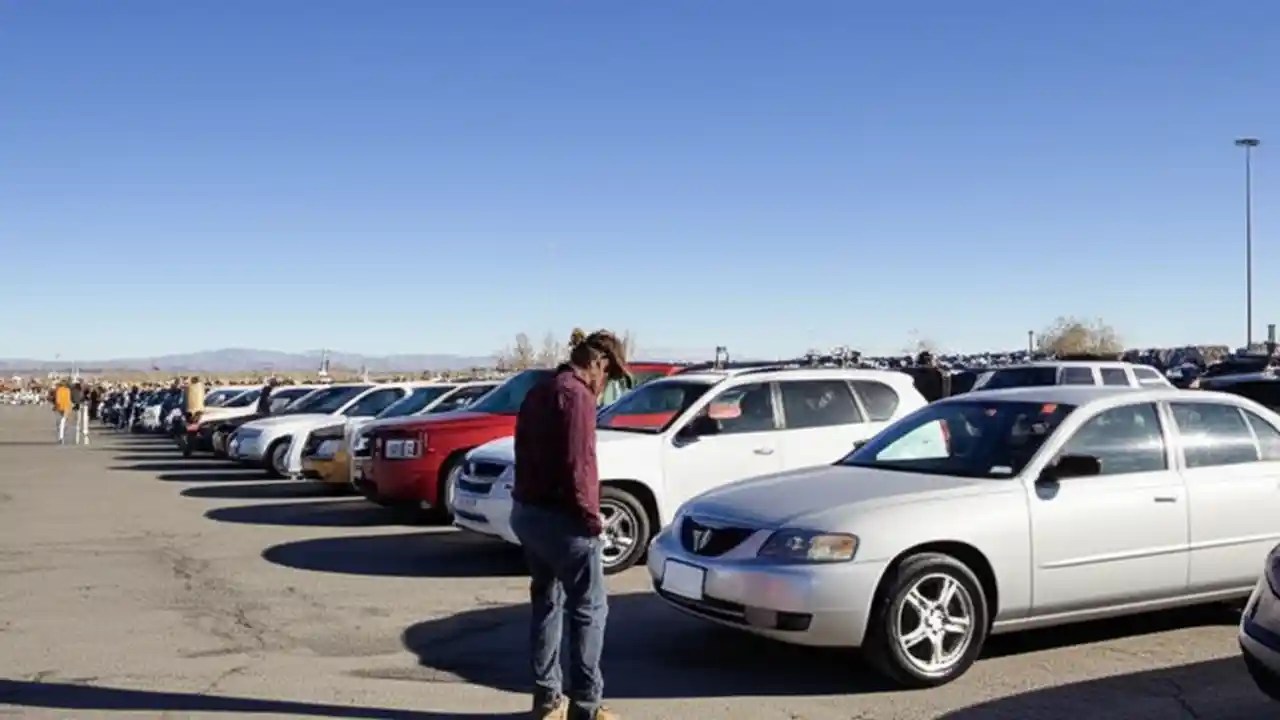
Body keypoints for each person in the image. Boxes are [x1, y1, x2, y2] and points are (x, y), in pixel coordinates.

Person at [511, 330, 629, 720]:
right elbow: (581, 465)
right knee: (589, 610)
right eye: (609, 378)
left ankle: (547, 702)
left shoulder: (539, 391)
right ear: (600, 365)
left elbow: (522, 452)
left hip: (529, 514)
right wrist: (592, 521)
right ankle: (587, 707)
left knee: (547, 602)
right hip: (564, 521)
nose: (605, 386)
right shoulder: (577, 396)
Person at [71, 381, 89, 445]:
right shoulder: (81, 391)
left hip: (76, 407)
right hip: (82, 406)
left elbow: (72, 399)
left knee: (77, 421)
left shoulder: (73, 391)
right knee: (84, 420)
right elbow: (84, 398)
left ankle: (77, 433)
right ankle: (84, 431)